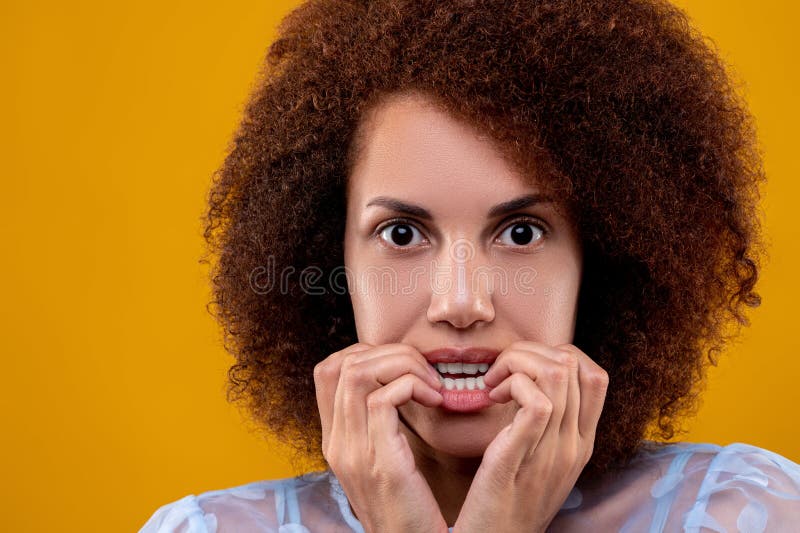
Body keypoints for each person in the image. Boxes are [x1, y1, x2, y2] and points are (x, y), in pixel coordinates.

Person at [140, 0, 800, 531]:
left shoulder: (744, 513)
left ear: (598, 258)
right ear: (328, 255)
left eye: (521, 232)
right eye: (402, 233)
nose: (460, 303)